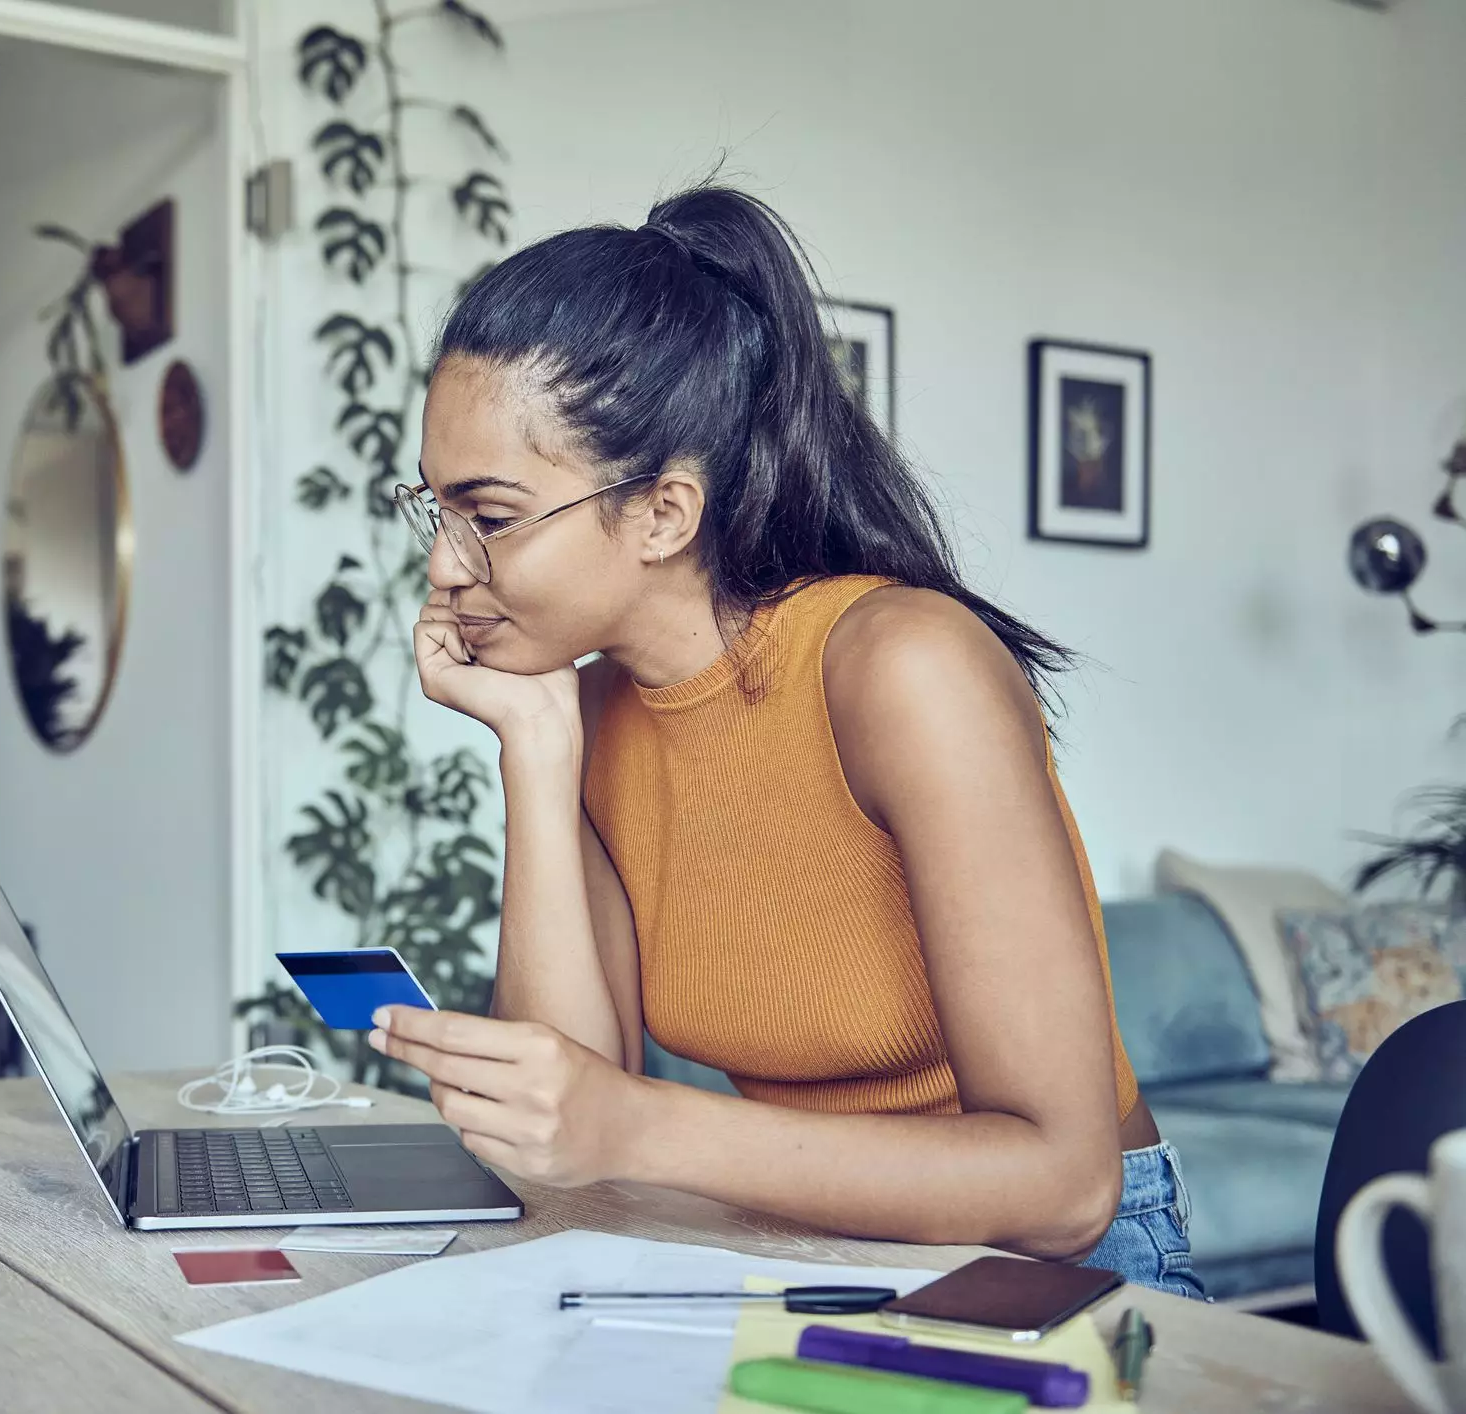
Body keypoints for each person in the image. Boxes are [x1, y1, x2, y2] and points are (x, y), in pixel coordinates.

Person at [368, 185, 1202, 1298]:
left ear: (664, 512)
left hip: (1060, 1273)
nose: (445, 566)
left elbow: (1061, 1186)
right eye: (436, 511)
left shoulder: (903, 667)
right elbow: (570, 1150)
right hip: (809, 1249)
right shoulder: (599, 708)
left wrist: (639, 1129)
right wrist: (532, 740)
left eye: (495, 515)